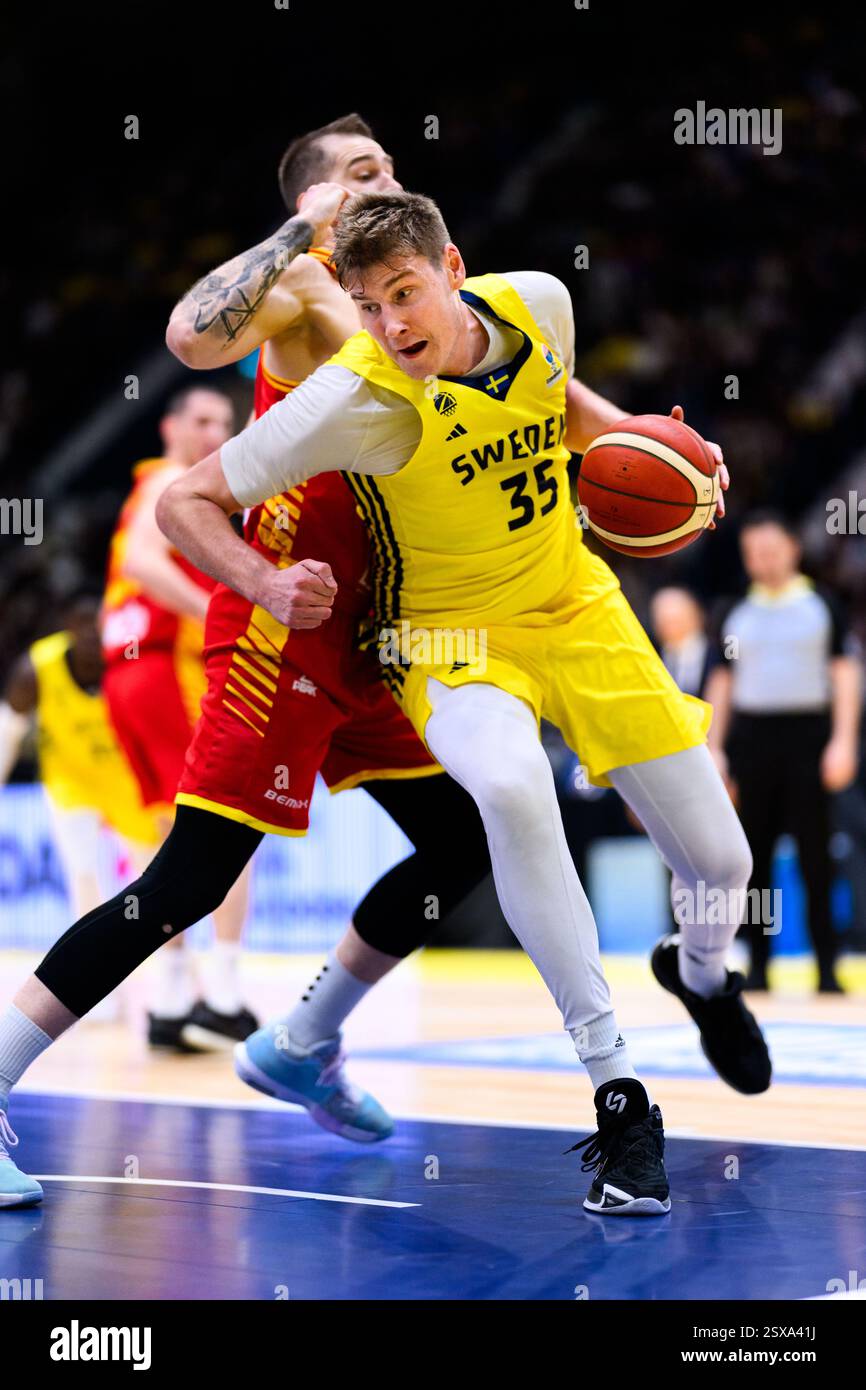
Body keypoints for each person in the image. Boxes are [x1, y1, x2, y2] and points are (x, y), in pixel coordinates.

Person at [148, 188, 771, 1217]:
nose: (391, 324)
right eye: (367, 301)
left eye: (405, 293)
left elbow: (557, 402)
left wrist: (658, 455)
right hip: (444, 639)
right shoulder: (355, 394)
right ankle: (619, 1093)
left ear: (452, 269)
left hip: (575, 603)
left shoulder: (538, 304)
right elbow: (186, 498)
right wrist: (260, 583)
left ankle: (700, 976)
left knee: (722, 864)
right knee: (512, 787)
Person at [0, 129, 494, 1209]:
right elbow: (185, 335)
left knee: (463, 840)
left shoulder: (413, 306)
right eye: (358, 173)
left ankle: (303, 1039)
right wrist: (293, 229)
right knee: (187, 881)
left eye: (388, 167)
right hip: (278, 624)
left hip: (362, 638)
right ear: (315, 197)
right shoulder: (305, 284)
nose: (387, 181)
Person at [101, 385, 257, 1048]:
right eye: (201, 420)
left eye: (224, 422)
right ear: (169, 426)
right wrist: (213, 614)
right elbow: (141, 560)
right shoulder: (172, 479)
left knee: (173, 837)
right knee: (231, 820)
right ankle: (221, 995)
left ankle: (169, 999)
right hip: (165, 667)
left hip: (129, 673)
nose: (214, 432)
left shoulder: (153, 483)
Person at [704, 512, 862, 992]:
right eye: (753, 552)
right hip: (752, 739)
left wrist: (844, 741)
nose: (763, 560)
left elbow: (846, 675)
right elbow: (722, 682)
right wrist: (713, 747)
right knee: (753, 860)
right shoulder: (734, 613)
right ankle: (759, 968)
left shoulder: (822, 606)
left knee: (817, 858)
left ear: (794, 548)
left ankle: (828, 968)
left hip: (809, 737)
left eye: (771, 550)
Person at [0, 591, 160, 923]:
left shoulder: (128, 659)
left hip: (125, 780)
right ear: (65, 626)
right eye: (81, 622)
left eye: (97, 622)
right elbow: (8, 732)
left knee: (151, 871)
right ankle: (92, 959)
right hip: (70, 781)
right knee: (83, 868)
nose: (90, 631)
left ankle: (170, 961)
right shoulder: (35, 669)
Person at [649, 587, 713, 698]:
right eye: (664, 621)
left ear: (696, 618)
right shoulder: (653, 655)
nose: (670, 629)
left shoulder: (714, 657)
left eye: (675, 621)